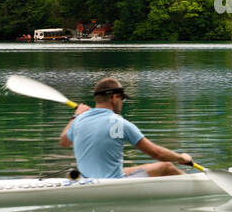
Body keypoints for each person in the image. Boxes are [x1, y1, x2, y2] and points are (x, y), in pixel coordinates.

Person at [59, 77, 192, 179]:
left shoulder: (79, 119)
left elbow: (64, 142)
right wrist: (182, 158)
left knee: (122, 168)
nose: (122, 103)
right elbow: (158, 154)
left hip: (86, 180)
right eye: (122, 99)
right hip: (112, 183)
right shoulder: (119, 123)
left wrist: (75, 116)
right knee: (167, 167)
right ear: (114, 97)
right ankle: (196, 187)